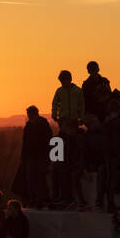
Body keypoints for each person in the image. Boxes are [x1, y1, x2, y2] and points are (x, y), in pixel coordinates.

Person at [50, 70, 84, 207]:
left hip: (74, 119)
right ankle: (57, 198)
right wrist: (55, 116)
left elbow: (82, 104)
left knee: (67, 172)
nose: (62, 83)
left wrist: (80, 118)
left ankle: (69, 199)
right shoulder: (59, 91)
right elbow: (54, 104)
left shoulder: (78, 91)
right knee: (56, 171)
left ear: (69, 79)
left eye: (64, 80)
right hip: (64, 118)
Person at [18, 105, 52, 207]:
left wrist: (49, 157)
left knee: (40, 179)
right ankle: (33, 200)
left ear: (35, 114)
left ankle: (42, 200)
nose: (29, 117)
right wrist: (23, 158)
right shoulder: (28, 126)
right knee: (31, 179)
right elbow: (25, 143)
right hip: (31, 157)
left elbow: (49, 141)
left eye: (30, 115)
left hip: (42, 156)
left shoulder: (44, 125)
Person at [97, 97, 120, 212]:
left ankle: (101, 201)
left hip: (105, 155)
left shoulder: (105, 124)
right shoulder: (116, 124)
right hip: (112, 156)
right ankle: (110, 203)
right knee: (111, 180)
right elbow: (116, 143)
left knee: (105, 179)